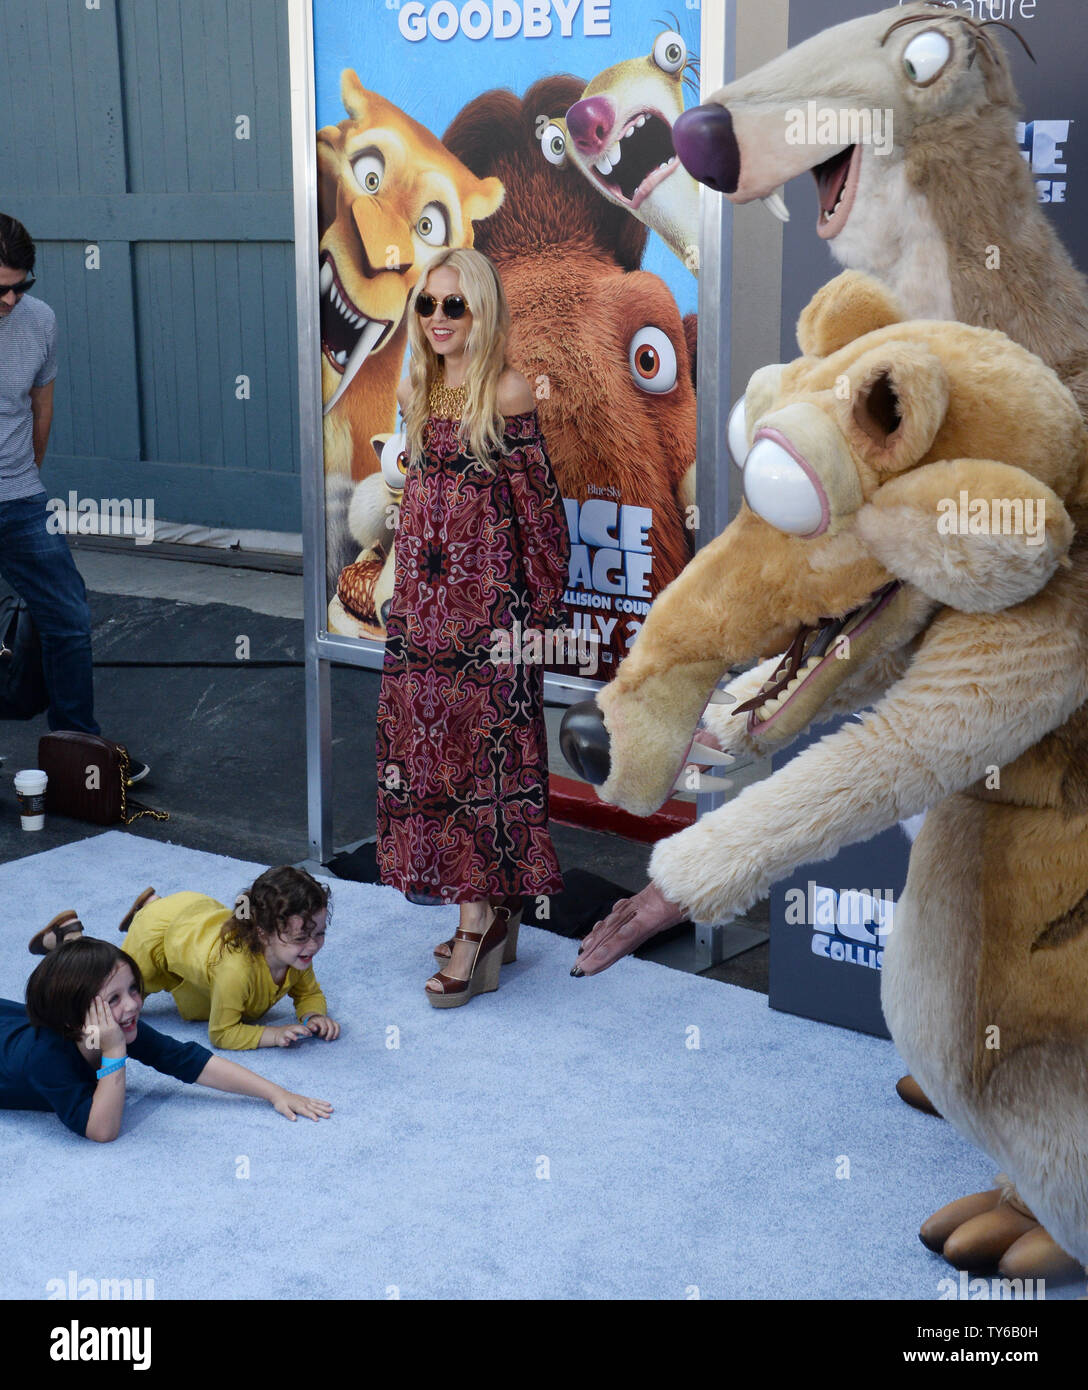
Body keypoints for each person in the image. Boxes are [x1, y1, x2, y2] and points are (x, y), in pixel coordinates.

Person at [375, 247, 570, 1008]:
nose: (438, 318)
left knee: (479, 769)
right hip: (423, 618)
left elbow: (540, 513)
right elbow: (417, 503)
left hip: (489, 620)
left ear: (482, 311)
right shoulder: (417, 388)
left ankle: (476, 926)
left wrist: (538, 616)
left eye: (453, 305)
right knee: (430, 762)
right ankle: (493, 912)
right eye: (427, 305)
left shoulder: (508, 391)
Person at [0, 213, 147, 780]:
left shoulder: (40, 321)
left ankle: (76, 751)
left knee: (67, 614)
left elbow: (41, 408)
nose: (10, 300)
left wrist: (26, 479)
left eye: (20, 286)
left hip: (19, 497)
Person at [1, 936, 332, 1141]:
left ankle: (63, 940)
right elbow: (101, 1130)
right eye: (113, 999)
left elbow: (188, 1061)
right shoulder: (46, 1059)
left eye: (133, 989)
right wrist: (114, 1050)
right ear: (74, 1017)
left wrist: (275, 1093)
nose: (133, 1005)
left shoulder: (117, 1024)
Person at [29, 866, 340, 1050]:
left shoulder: (297, 956)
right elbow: (222, 1033)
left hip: (193, 915)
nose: (313, 945)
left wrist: (313, 1015)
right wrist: (272, 1034)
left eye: (320, 933)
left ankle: (152, 905)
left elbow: (308, 993)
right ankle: (70, 936)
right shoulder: (235, 970)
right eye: (301, 937)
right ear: (262, 932)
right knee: (105, 988)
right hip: (160, 936)